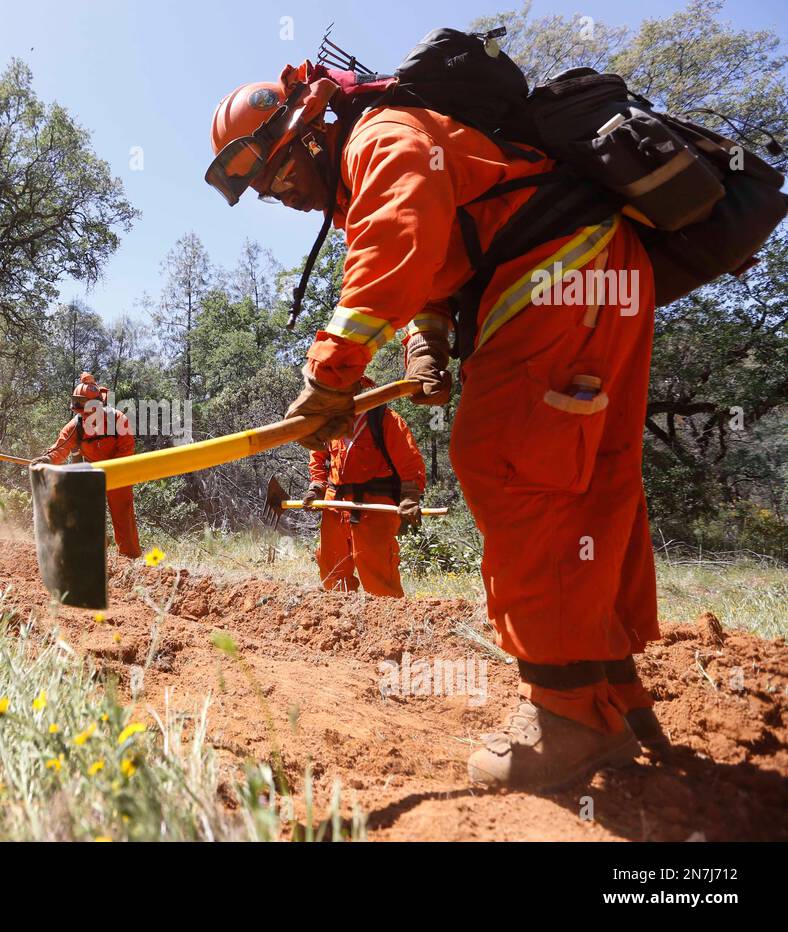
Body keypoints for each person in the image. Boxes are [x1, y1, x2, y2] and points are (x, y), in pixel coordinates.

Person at [207, 51, 664, 788]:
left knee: (509, 464)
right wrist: (431, 342)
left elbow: (398, 247)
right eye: (265, 190)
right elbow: (443, 256)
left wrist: (330, 376)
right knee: (589, 480)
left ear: (313, 134)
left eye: (280, 174)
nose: (280, 196)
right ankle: (610, 686)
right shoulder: (400, 143)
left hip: (553, 269)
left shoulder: (378, 137)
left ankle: (566, 712)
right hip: (603, 270)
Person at [304, 380, 426, 596]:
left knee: (378, 574)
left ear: (359, 387)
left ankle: (388, 623)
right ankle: (338, 622)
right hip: (335, 505)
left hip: (375, 507)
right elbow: (318, 456)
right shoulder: (328, 422)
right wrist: (317, 487)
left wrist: (409, 497)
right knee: (333, 571)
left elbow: (410, 462)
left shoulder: (384, 419)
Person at [32, 373, 141, 559]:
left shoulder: (118, 420)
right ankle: (95, 554)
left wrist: (112, 469)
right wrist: (47, 460)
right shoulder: (75, 427)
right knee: (85, 513)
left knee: (123, 514)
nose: (87, 417)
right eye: (83, 413)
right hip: (92, 475)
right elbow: (61, 448)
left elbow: (127, 449)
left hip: (119, 472)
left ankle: (130, 558)